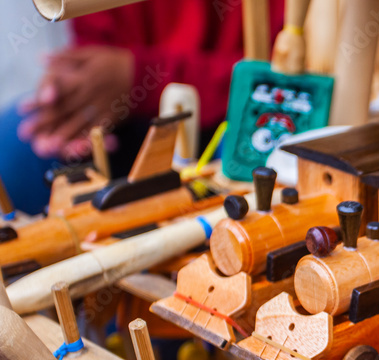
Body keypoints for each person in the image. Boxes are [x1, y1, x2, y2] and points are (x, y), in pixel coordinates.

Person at [1, 0, 284, 214]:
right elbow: (98, 42)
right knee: (14, 144)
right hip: (132, 121)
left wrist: (141, 75)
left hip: (233, 117)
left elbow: (287, 76)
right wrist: (73, 98)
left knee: (253, 157)